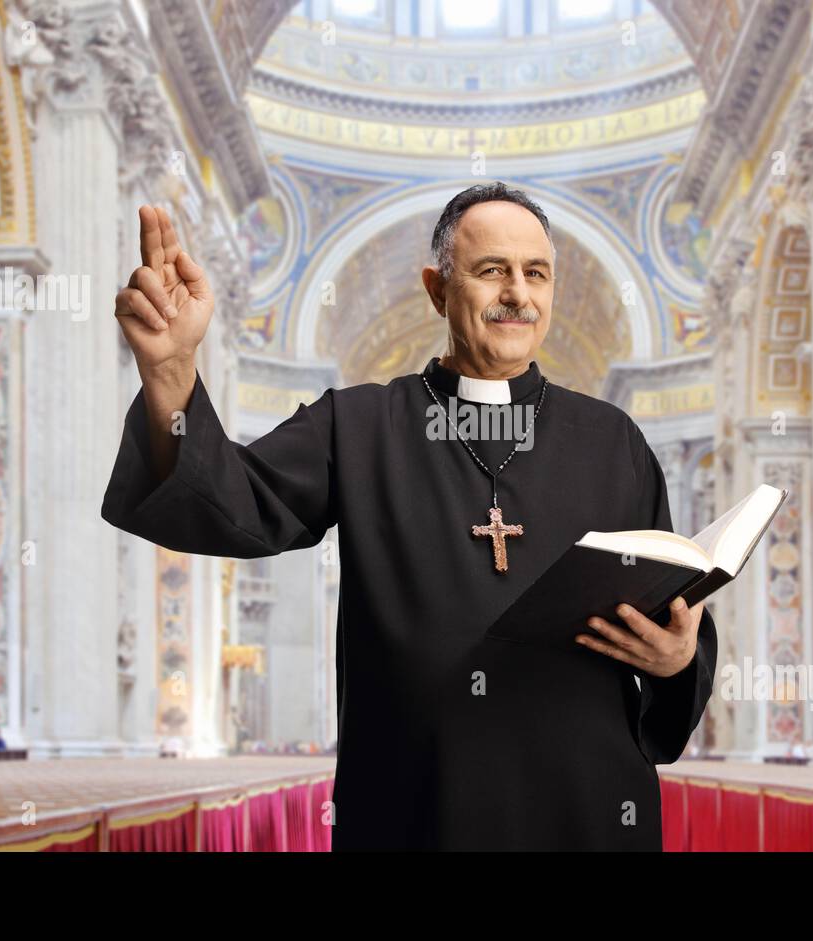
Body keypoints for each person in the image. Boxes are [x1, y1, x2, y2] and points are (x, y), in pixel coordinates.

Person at [102, 184, 718, 850]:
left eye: (535, 273)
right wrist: (171, 373)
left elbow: (671, 605)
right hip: (414, 810)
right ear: (437, 288)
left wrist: (680, 656)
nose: (518, 292)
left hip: (589, 811)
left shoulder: (612, 441)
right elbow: (230, 503)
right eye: (491, 271)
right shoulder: (358, 426)